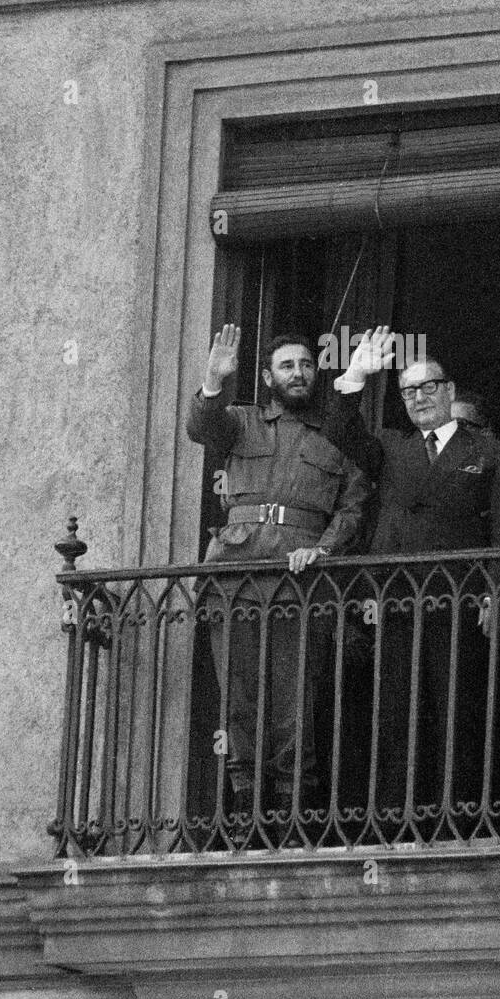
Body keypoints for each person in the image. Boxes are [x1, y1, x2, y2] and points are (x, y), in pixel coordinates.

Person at [327, 327, 500, 827]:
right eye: (408, 391)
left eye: (427, 388)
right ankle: (396, 823)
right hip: (400, 603)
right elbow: (341, 433)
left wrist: (497, 595)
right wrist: (355, 376)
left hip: (459, 602)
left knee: (457, 714)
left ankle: (457, 821)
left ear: (449, 391)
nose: (418, 398)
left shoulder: (487, 451)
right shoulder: (393, 448)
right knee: (398, 716)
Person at [186, 325, 369, 830]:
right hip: (236, 573)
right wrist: (211, 381)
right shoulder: (241, 421)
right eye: (287, 366)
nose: (298, 373)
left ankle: (293, 806)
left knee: (295, 697)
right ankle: (246, 802)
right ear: (268, 376)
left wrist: (323, 548)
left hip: (299, 576)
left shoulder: (336, 433)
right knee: (238, 692)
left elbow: (352, 508)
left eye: (307, 365)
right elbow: (200, 428)